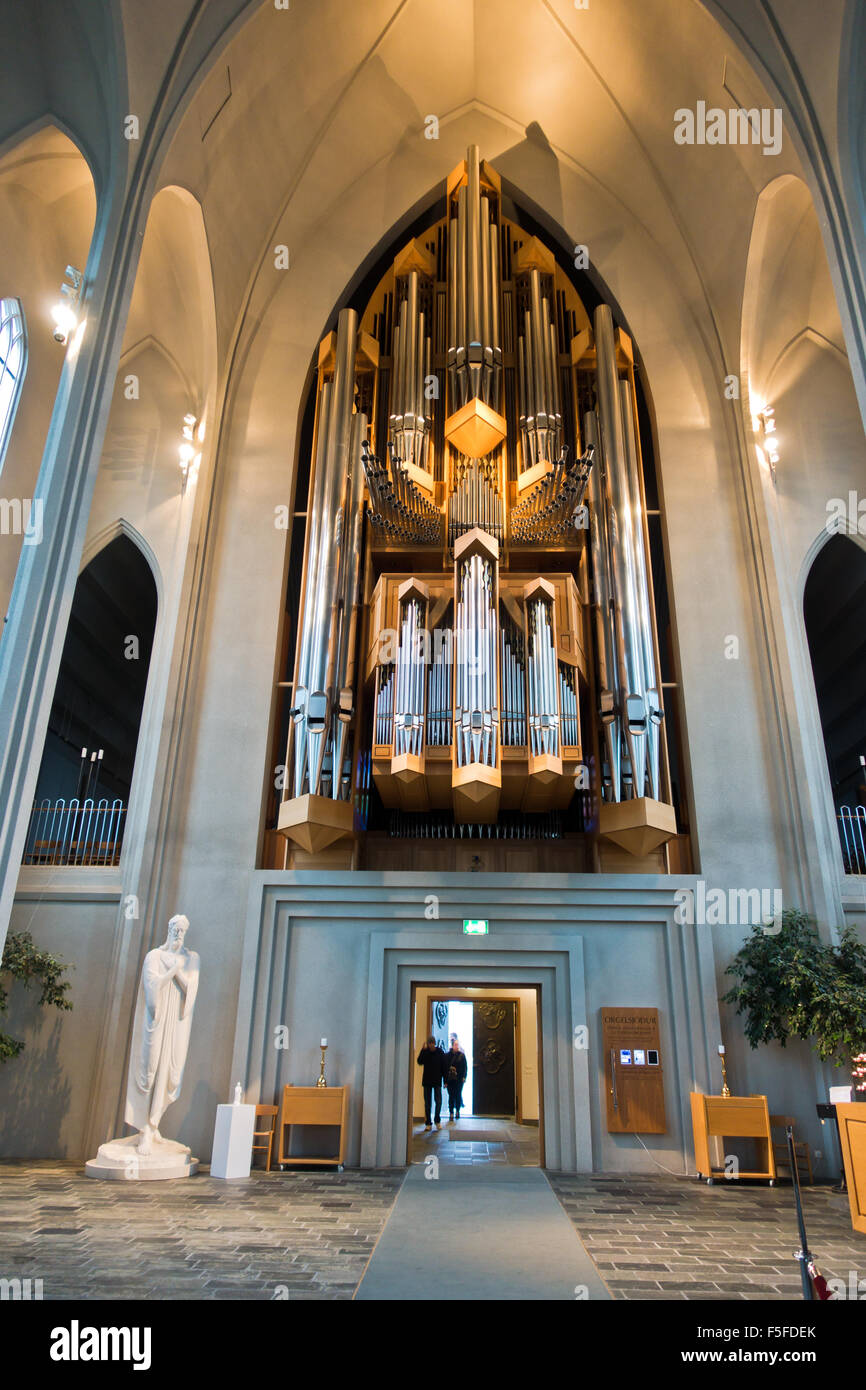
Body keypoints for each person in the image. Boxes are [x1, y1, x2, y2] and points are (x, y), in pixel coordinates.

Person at [417, 1034, 447, 1130]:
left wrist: (445, 1081)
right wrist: (422, 1050)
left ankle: (437, 1120)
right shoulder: (425, 1052)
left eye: (432, 1043)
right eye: (429, 1044)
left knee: (438, 1102)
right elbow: (419, 1061)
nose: (431, 1046)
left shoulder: (440, 1052)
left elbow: (444, 1067)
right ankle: (428, 1123)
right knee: (427, 1103)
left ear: (434, 1043)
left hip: (437, 1081)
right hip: (427, 1081)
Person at [444, 1036, 468, 1121]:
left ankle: (457, 1111)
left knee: (458, 1095)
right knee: (451, 1096)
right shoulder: (447, 1056)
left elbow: (465, 1067)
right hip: (450, 1079)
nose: (457, 1046)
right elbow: (445, 1068)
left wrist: (464, 1077)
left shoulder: (462, 1056)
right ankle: (451, 1112)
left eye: (458, 1045)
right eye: (455, 1044)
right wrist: (445, 1081)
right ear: (452, 1045)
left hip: (459, 1079)